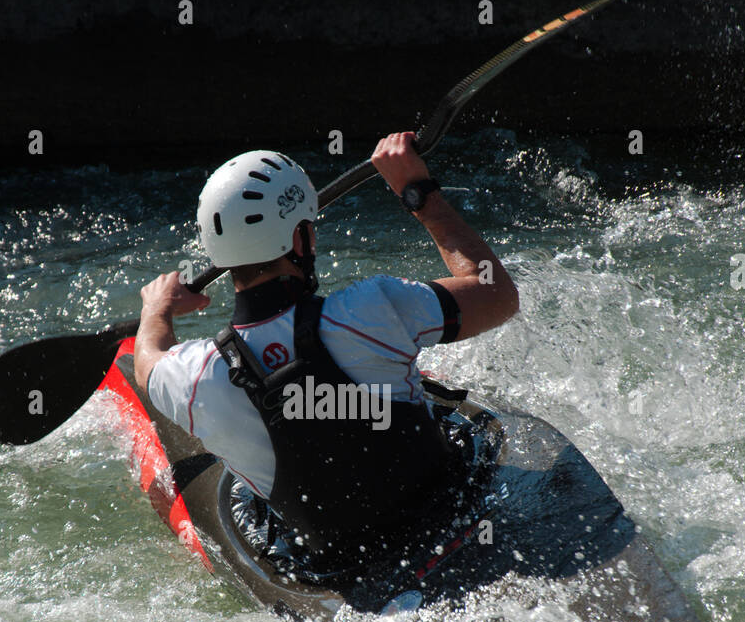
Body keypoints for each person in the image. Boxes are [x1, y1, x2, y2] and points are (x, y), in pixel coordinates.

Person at [134, 132, 518, 568]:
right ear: (300, 241)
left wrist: (156, 309)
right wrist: (420, 193)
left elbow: (147, 365)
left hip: (342, 563)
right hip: (448, 515)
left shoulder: (194, 377)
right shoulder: (375, 309)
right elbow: (497, 293)